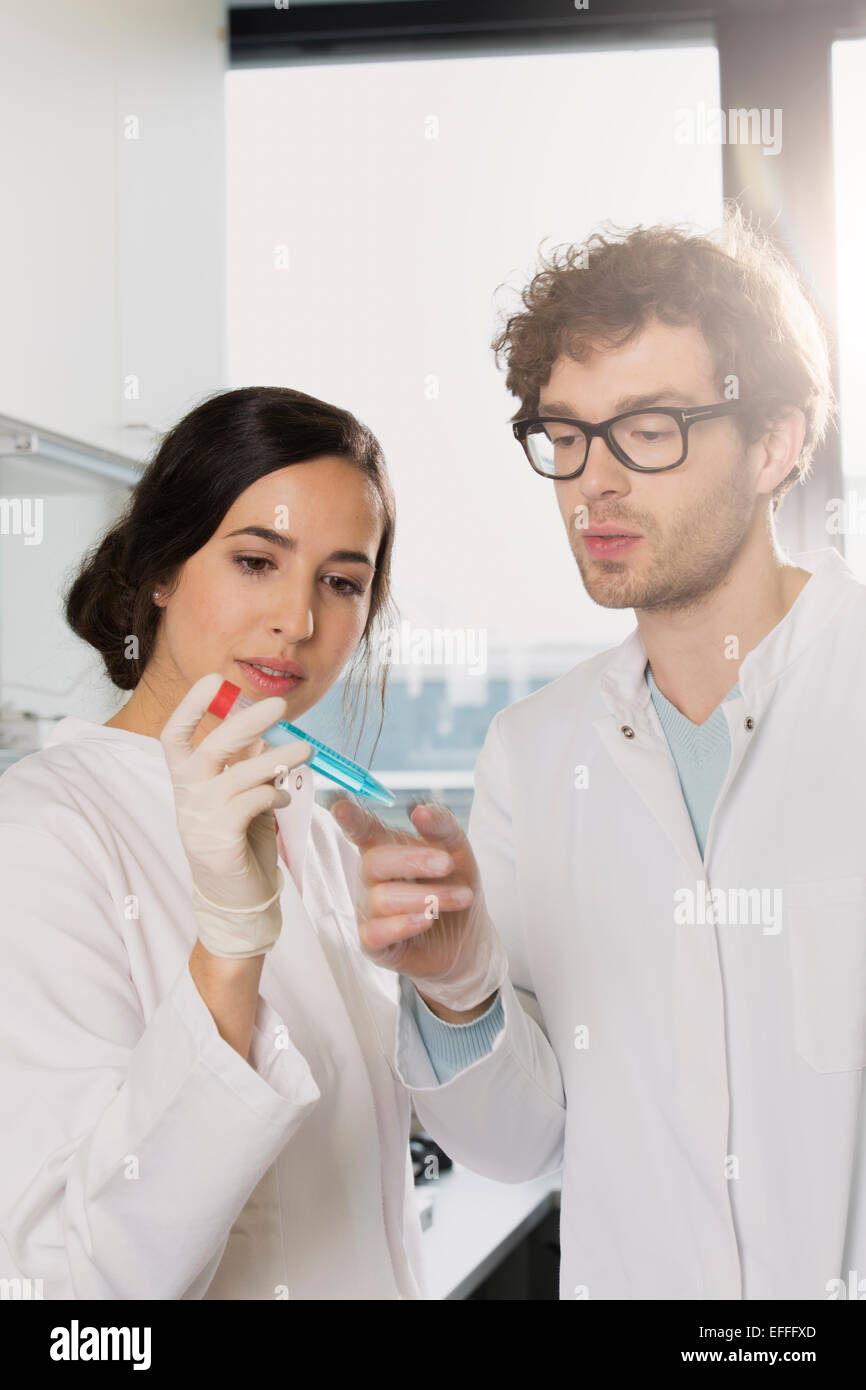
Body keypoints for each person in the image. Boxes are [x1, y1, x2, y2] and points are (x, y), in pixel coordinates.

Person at [332, 206, 866, 1300]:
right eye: (565, 434)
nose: (593, 482)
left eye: (649, 427)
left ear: (772, 441)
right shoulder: (532, 754)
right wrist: (453, 986)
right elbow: (523, 1144)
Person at [0, 385, 499, 1300]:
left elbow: (464, 1155)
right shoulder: (40, 837)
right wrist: (228, 953)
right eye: (257, 561)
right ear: (160, 569)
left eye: (342, 582)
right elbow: (77, 1290)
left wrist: (456, 989)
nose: (300, 621)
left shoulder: (312, 822)